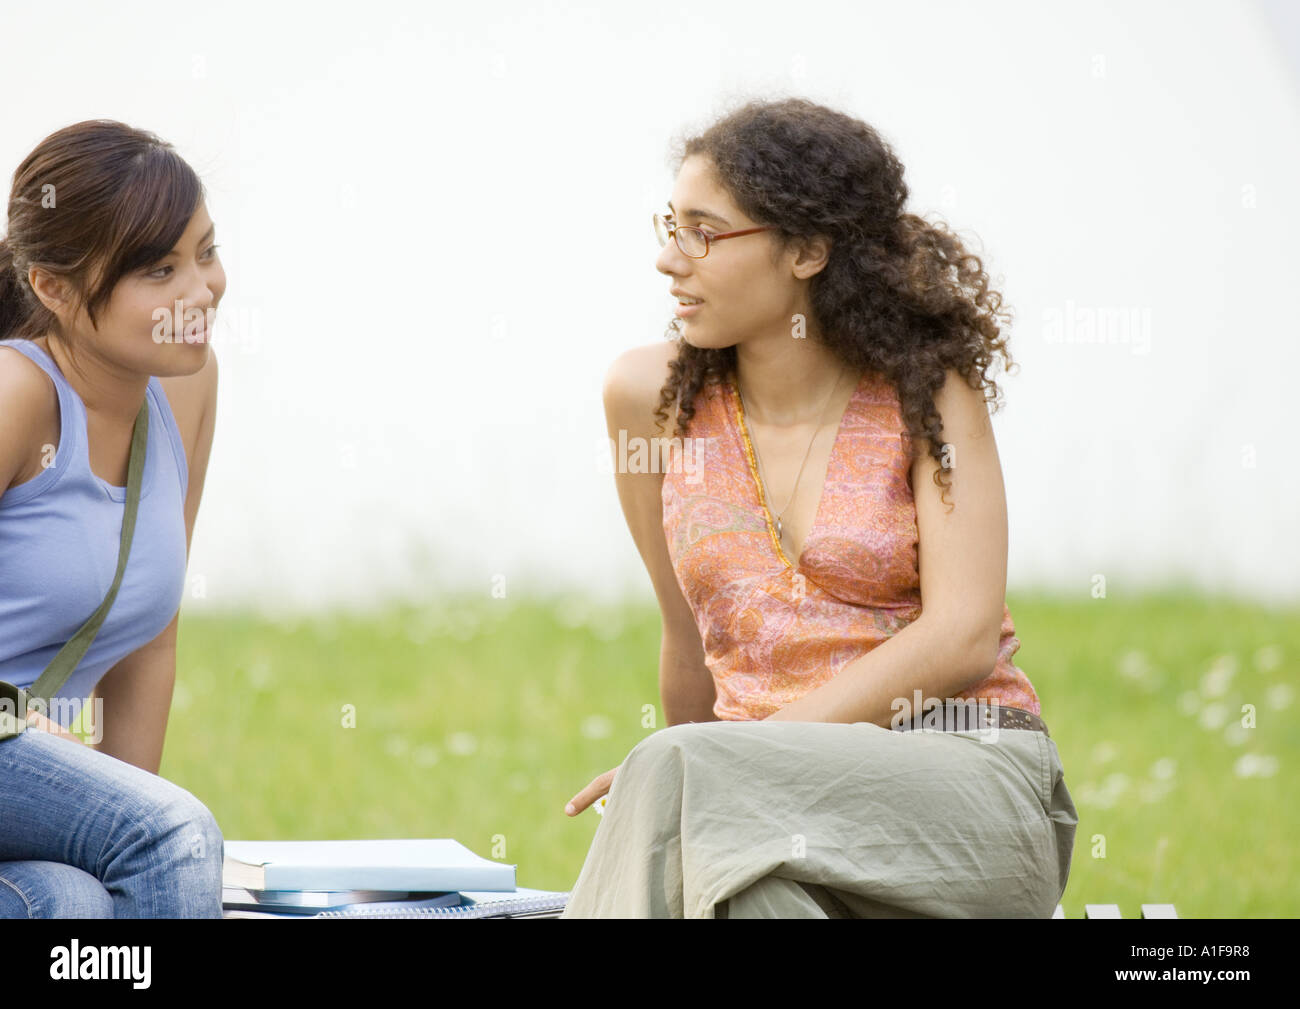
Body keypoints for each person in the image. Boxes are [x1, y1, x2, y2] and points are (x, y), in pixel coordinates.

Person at [560, 98, 1078, 918]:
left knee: (674, 767)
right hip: (763, 813)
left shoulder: (929, 393)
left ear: (806, 249)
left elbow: (963, 634)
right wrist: (707, 779)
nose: (668, 258)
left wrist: (711, 763)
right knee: (749, 899)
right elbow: (688, 638)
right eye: (669, 224)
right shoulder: (646, 401)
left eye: (703, 231)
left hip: (966, 792)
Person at [0, 120, 225, 917]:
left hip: (35, 774)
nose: (199, 293)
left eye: (205, 251)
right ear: (53, 288)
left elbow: (149, 636)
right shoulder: (16, 395)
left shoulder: (187, 387)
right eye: (159, 270)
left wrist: (130, 817)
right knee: (177, 834)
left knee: (71, 904)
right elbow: (164, 832)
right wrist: (156, 829)